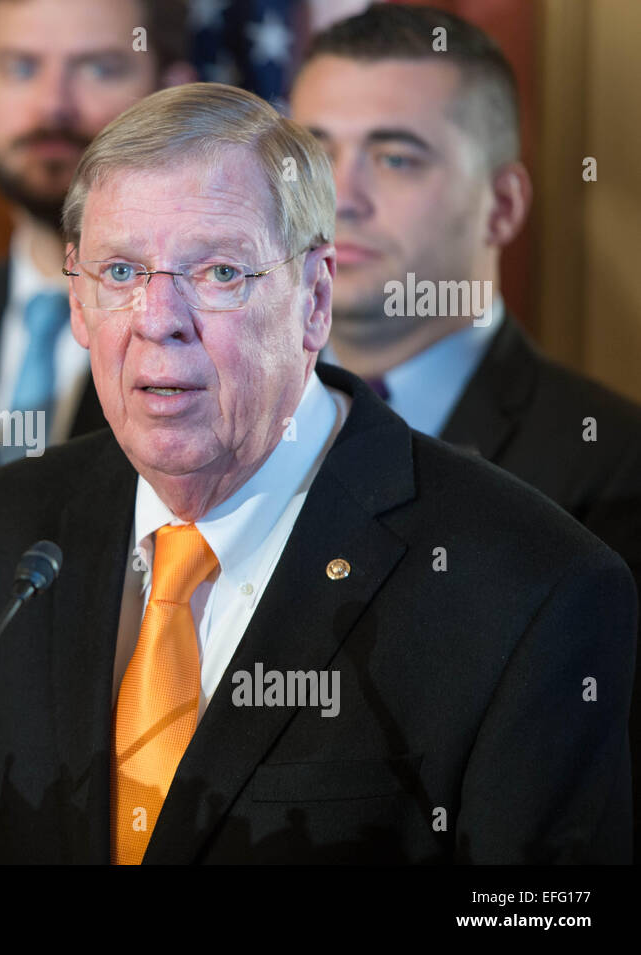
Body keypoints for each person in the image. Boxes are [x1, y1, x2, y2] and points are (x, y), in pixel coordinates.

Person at [0, 82, 635, 864]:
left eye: (218, 272)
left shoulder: (526, 590)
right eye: (121, 271)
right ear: (77, 301)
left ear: (314, 298)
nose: (158, 319)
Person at [288, 2, 641, 852]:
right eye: (313, 154)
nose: (340, 197)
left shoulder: (614, 467)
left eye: (396, 157)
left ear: (502, 205)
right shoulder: (208, 426)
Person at [0, 0, 195, 461]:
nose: (53, 106)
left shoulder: (202, 330)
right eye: (21, 67)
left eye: (99, 69)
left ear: (171, 91)